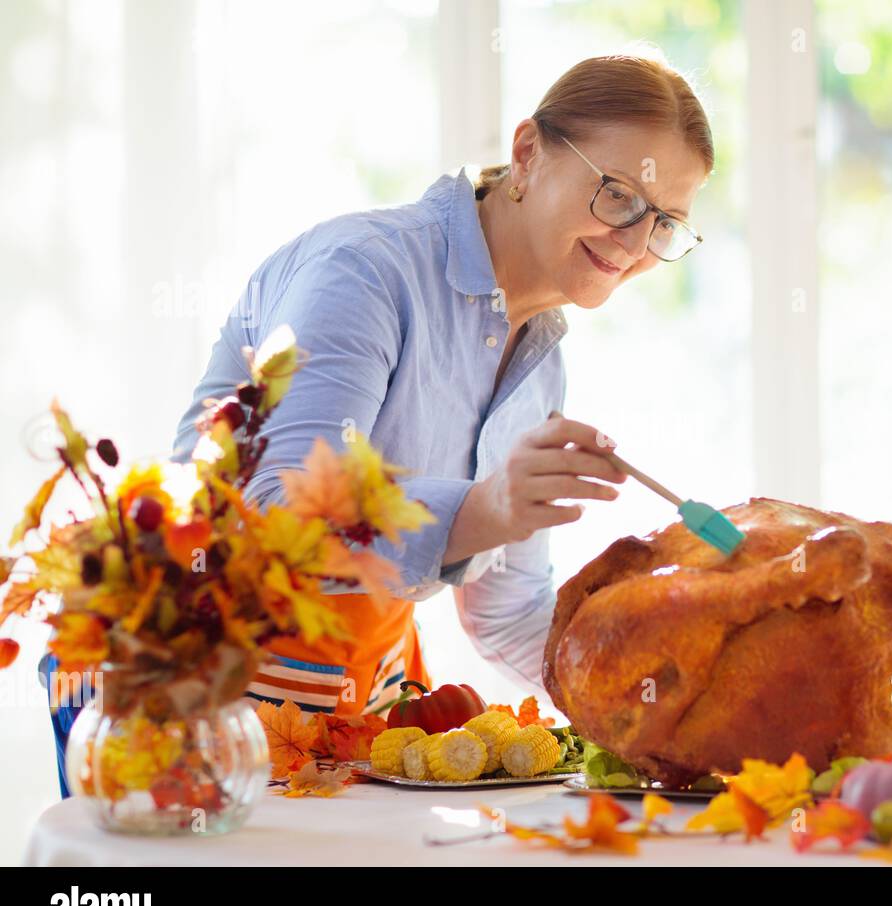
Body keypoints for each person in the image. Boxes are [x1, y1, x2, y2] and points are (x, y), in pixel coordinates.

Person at [47, 54, 714, 792]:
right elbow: (275, 511)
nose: (632, 241)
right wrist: (484, 507)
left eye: (665, 223)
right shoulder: (362, 272)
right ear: (529, 152)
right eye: (618, 193)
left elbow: (511, 615)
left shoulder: (540, 359)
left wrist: (663, 701)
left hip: (351, 700)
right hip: (193, 680)